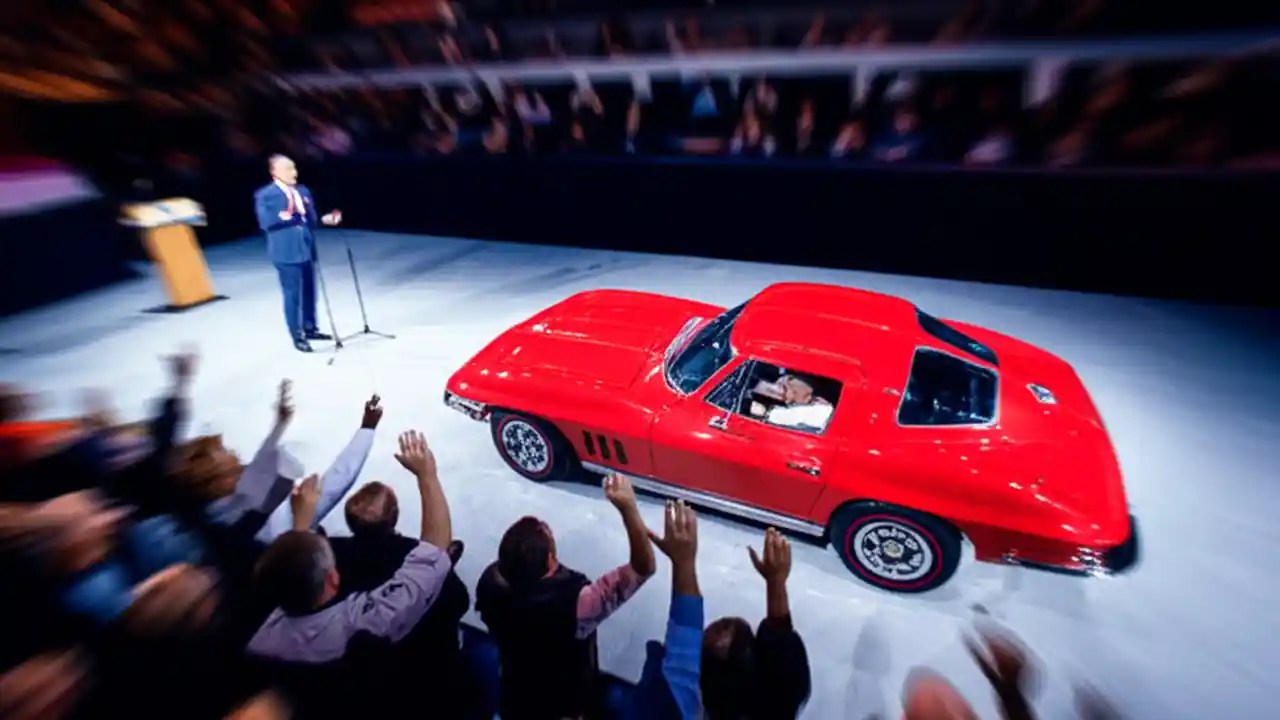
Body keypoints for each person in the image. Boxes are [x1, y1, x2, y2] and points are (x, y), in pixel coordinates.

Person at [253, 154, 342, 353]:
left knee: (309, 290)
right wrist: (291, 218)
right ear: (274, 172)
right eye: (287, 169)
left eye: (294, 168)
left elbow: (310, 219)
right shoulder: (266, 195)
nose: (294, 173)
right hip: (285, 251)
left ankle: (310, 327)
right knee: (292, 294)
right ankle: (297, 335)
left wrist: (325, 219)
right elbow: (266, 222)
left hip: (306, 247)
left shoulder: (302, 191)